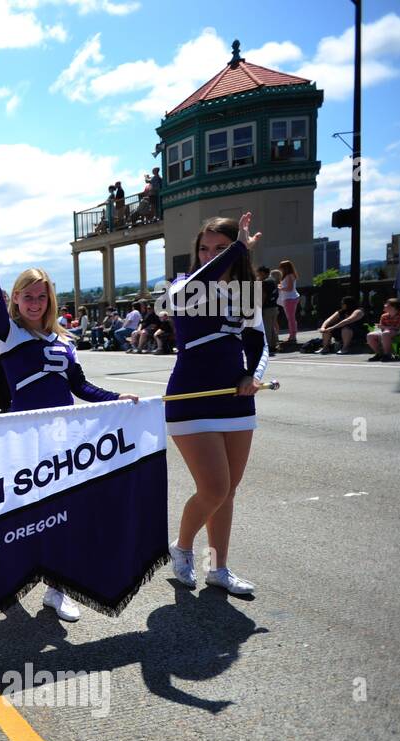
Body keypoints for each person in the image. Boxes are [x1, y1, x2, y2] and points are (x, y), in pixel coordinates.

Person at [0, 212, 138, 622]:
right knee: (21, 514)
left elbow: (82, 387)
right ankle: (6, 579)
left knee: (61, 513)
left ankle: (56, 589)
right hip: (22, 440)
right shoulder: (8, 334)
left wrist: (118, 398)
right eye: (28, 296)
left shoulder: (63, 342)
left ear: (50, 300)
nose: (35, 302)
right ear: (16, 299)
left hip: (61, 440)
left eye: (42, 297)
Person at [162, 212, 269, 595]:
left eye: (219, 248)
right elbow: (194, 286)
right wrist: (237, 247)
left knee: (229, 490)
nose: (210, 255)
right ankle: (182, 546)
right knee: (214, 487)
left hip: (235, 401)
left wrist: (253, 377)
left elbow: (259, 343)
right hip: (191, 399)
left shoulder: (247, 292)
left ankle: (219, 569)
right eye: (204, 248)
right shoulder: (182, 286)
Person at [276, 260, 300, 351]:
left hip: (290, 298)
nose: (280, 269)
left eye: (281, 267)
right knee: (291, 318)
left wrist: (280, 287)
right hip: (291, 298)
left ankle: (292, 336)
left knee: (291, 318)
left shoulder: (289, 275)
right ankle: (292, 335)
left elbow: (289, 288)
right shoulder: (289, 275)